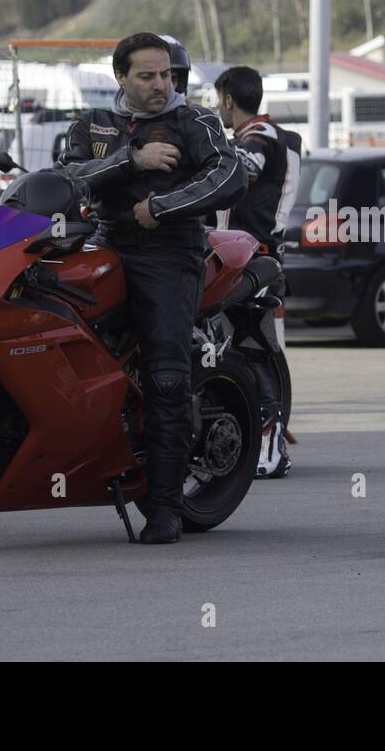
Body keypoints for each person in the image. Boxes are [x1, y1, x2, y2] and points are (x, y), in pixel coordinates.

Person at [59, 32, 246, 544]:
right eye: (147, 76)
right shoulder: (92, 124)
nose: (161, 84)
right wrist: (131, 161)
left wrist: (162, 207)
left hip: (170, 252)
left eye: (166, 74)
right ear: (120, 78)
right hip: (103, 243)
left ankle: (164, 508)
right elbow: (68, 176)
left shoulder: (196, 120)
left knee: (166, 374)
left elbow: (229, 175)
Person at [214, 65, 301, 478]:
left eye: (219, 100)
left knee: (253, 353)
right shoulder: (273, 135)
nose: (218, 107)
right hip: (254, 261)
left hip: (255, 263)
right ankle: (264, 439)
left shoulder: (260, 135)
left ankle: (270, 446)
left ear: (229, 99)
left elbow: (242, 171)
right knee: (250, 352)